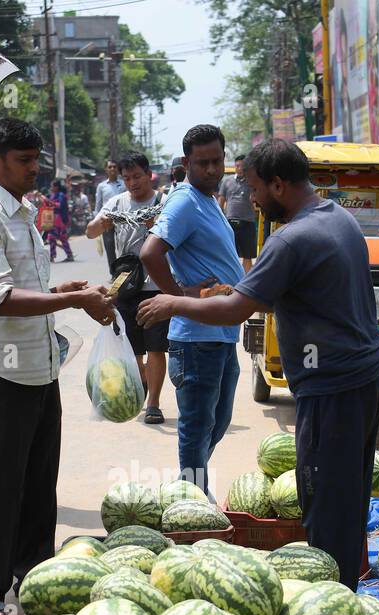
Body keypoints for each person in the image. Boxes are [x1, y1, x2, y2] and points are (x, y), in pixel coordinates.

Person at [138, 139, 379, 591]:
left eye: (253, 188)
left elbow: (235, 309)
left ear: (277, 184)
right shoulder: (337, 217)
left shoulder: (291, 238)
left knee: (324, 503)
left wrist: (174, 302)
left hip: (331, 387)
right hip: (364, 377)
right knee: (348, 497)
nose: (249, 199)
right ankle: (348, 580)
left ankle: (334, 600)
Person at [0, 118, 115, 615]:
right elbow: (1, 299)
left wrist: (67, 295)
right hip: (2, 376)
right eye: (24, 161)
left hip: (41, 369)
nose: (34, 169)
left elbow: (31, 290)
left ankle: (36, 579)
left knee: (39, 483)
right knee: (2, 488)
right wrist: (68, 299)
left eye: (36, 159)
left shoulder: (25, 214)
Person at [140, 124, 243, 495]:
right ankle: (192, 496)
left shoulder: (209, 199)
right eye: (203, 163)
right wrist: (178, 301)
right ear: (186, 162)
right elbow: (150, 252)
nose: (212, 169)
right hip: (197, 337)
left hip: (221, 333)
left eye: (217, 161)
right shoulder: (184, 200)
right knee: (198, 426)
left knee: (217, 422)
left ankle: (188, 487)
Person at [85, 151, 168, 425]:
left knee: (156, 346)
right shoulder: (116, 203)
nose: (132, 183)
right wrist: (102, 223)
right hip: (125, 286)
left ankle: (154, 403)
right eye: (127, 178)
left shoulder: (163, 203)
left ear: (149, 175)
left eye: (137, 177)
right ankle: (141, 385)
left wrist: (159, 227)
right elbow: (90, 231)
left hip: (157, 285)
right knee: (133, 349)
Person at [218, 154, 257, 272]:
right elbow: (221, 201)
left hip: (248, 222)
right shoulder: (227, 181)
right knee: (229, 255)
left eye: (242, 166)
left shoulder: (252, 181)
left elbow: (257, 198)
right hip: (230, 222)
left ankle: (247, 283)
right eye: (237, 165)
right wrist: (219, 219)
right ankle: (232, 283)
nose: (239, 168)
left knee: (248, 256)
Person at [46, 178, 73, 262]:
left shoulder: (60, 195)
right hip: (53, 220)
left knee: (57, 238)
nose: (51, 188)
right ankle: (54, 256)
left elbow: (60, 205)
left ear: (56, 187)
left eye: (52, 186)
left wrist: (51, 203)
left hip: (60, 220)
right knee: (52, 238)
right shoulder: (53, 195)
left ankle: (66, 255)